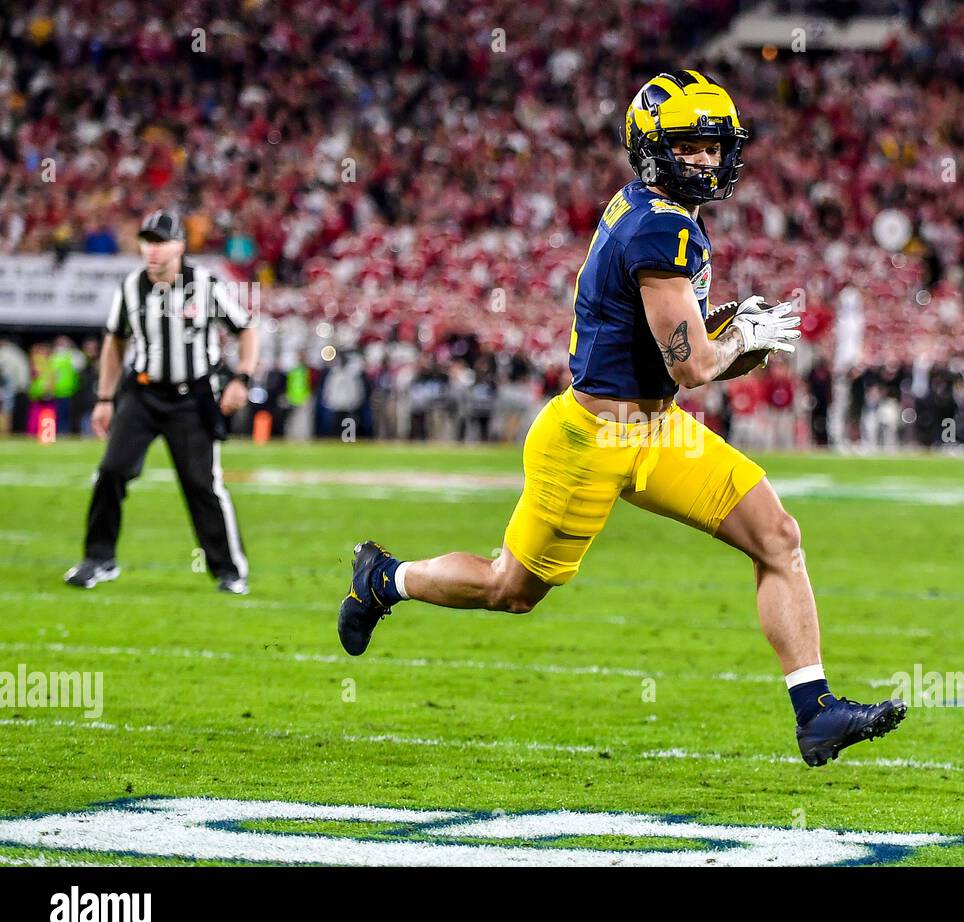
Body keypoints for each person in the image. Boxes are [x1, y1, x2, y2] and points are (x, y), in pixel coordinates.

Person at [337, 71, 906, 767]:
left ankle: (814, 712)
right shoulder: (660, 228)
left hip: (653, 429)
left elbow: (669, 353)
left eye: (714, 146)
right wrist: (737, 344)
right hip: (591, 439)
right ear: (651, 147)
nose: (707, 160)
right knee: (508, 589)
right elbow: (693, 366)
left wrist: (726, 340)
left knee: (778, 536)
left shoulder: (656, 209)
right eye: (691, 145)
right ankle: (384, 578)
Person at [64, 209, 257, 592]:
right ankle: (98, 559)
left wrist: (242, 378)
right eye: (147, 242)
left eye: (160, 242)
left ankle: (228, 570)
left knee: (201, 484)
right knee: (111, 471)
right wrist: (104, 398)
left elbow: (246, 328)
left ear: (180, 246)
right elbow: (114, 341)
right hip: (143, 394)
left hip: (192, 397)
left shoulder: (205, 284)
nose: (152, 250)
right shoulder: (131, 287)